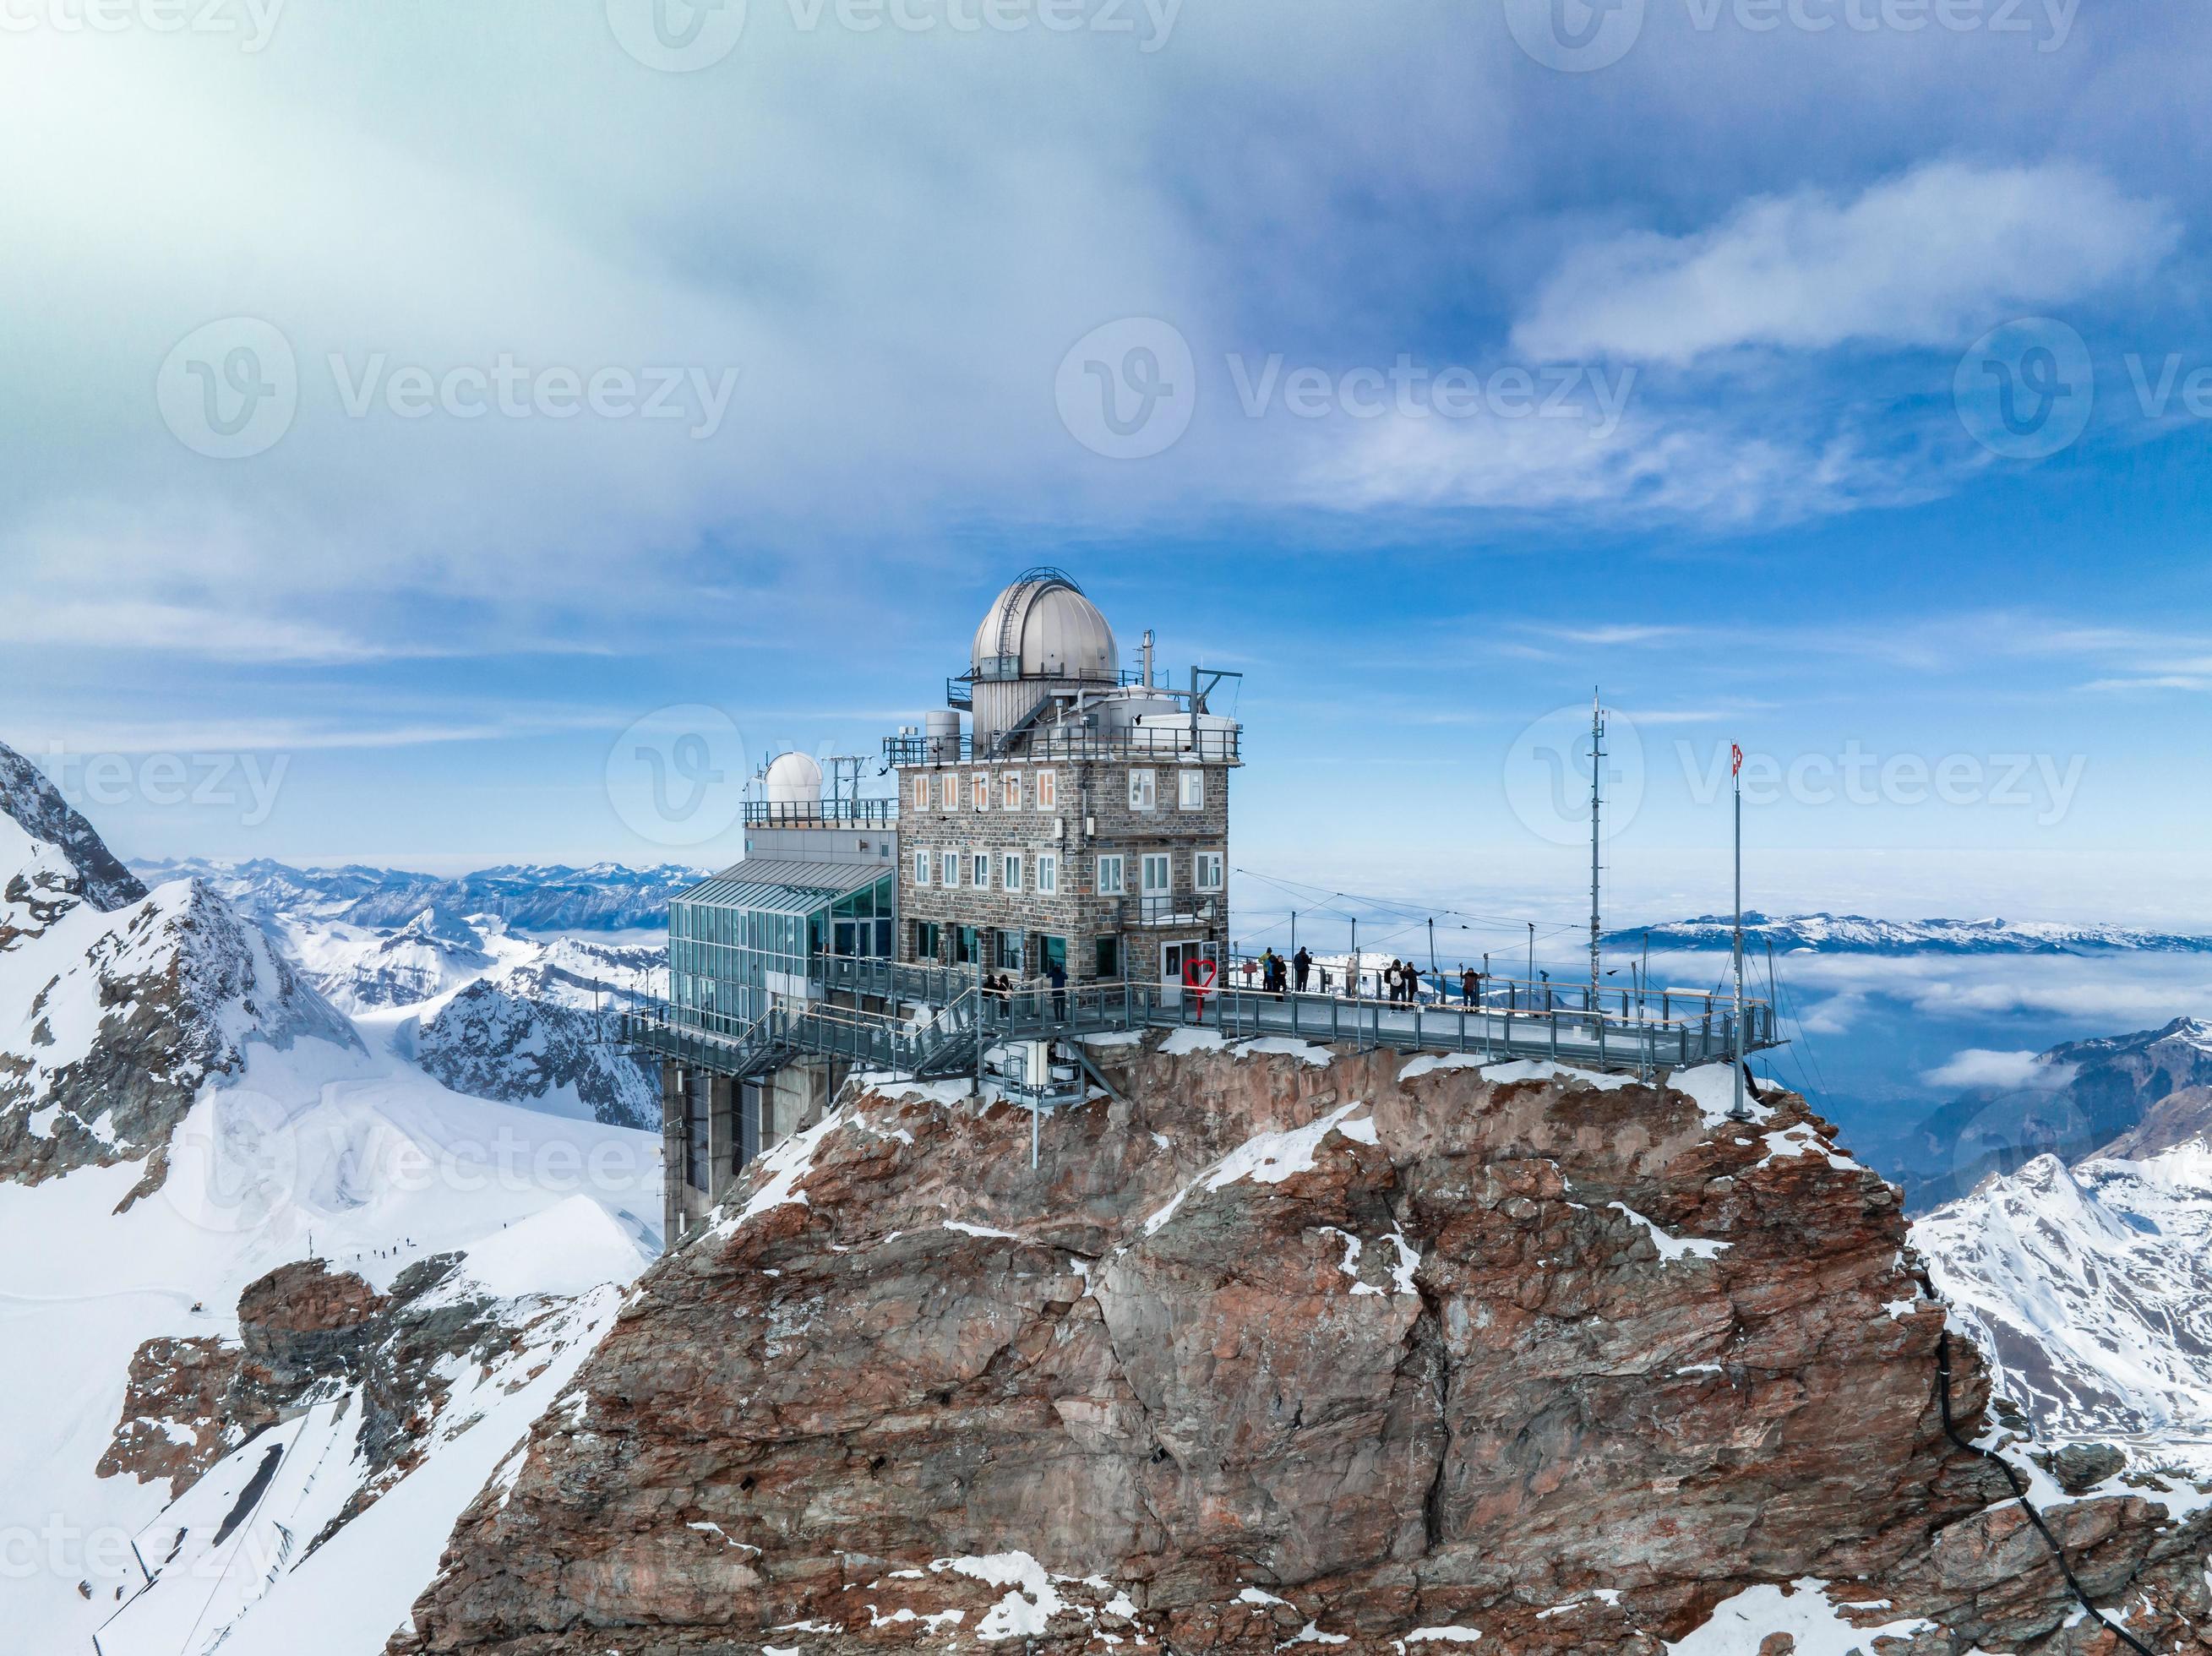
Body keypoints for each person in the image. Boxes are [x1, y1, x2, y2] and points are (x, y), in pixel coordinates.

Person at [1047, 956, 1067, 1020]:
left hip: (1061, 992)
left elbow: (1066, 977)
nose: (1058, 968)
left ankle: (1062, 1018)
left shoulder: (1062, 973)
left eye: (1059, 967)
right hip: (1055, 992)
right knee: (1056, 1006)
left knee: (1062, 1006)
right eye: (1057, 967)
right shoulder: (1053, 973)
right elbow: (1047, 976)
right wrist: (1053, 970)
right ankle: (1057, 1018)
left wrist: (1060, 972)